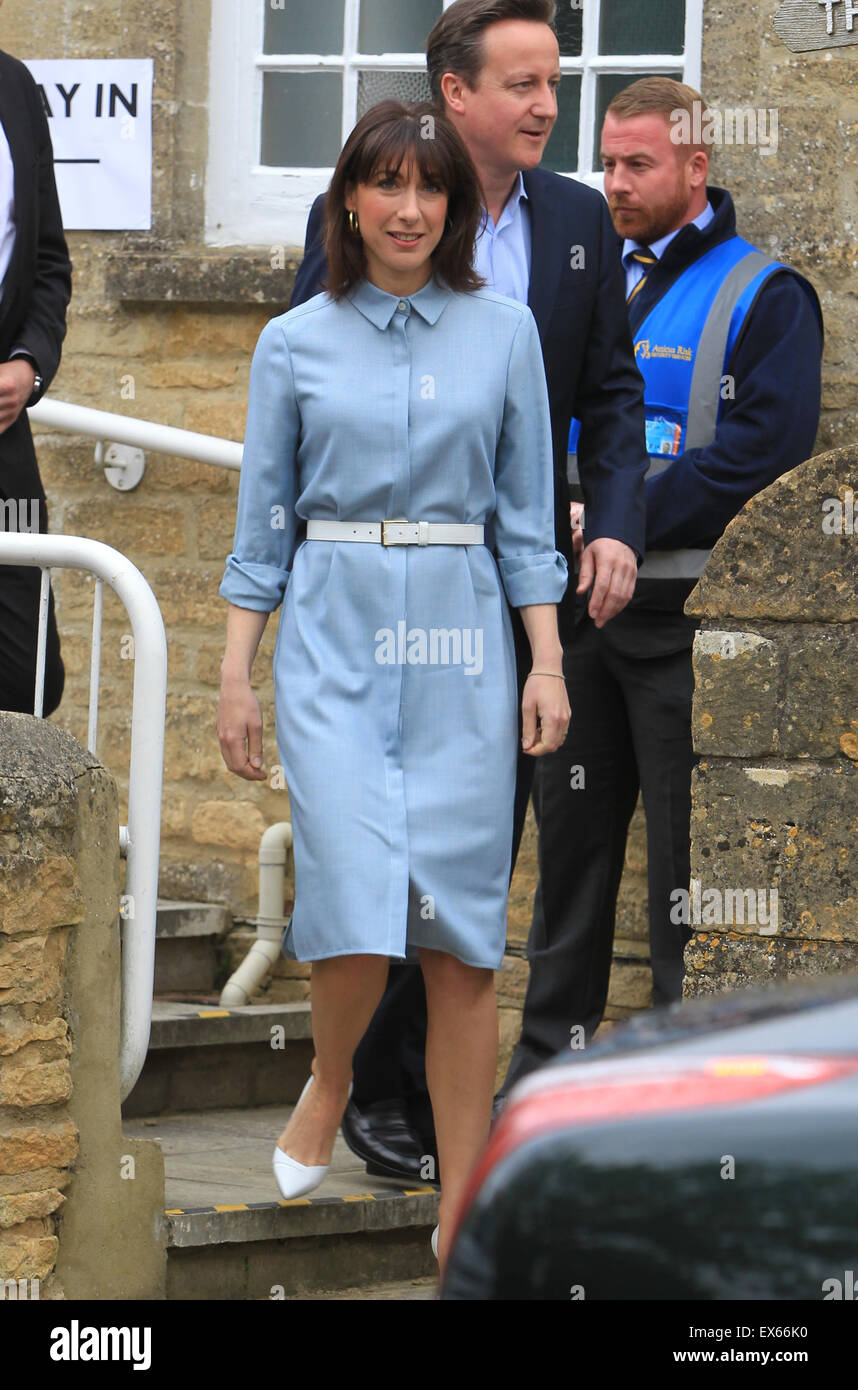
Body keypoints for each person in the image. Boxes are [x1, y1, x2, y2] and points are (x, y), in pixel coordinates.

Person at [290, 0, 648, 1184]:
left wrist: (620, 529)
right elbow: (316, 382)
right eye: (526, 85)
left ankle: (464, 1105)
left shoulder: (583, 222)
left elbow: (609, 398)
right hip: (385, 589)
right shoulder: (355, 215)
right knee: (374, 849)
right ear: (456, 91)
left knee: (474, 858)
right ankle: (368, 1091)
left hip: (523, 591)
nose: (551, 106)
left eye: (555, 83)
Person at [216, 100, 569, 1274]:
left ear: (455, 207)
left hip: (468, 636)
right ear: (351, 201)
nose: (410, 209)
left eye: (430, 189)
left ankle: (462, 1213)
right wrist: (234, 673)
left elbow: (525, 519)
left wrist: (548, 661)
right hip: (333, 630)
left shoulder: (505, 329)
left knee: (463, 937)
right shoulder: (295, 342)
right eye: (386, 185)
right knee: (356, 892)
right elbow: (263, 524)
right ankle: (328, 1080)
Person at [501, 76, 824, 1092]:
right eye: (605, 161)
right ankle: (545, 1086)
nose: (614, 182)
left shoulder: (765, 294)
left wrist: (623, 520)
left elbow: (764, 456)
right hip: (577, 624)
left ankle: (681, 1103)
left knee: (687, 884)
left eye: (637, 163)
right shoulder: (584, 274)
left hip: (690, 628)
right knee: (569, 871)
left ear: (698, 165)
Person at [0, 34, 72, 717]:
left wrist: (28, 366)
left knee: (29, 681)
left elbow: (48, 264)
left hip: (3, 456)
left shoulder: (15, 86)